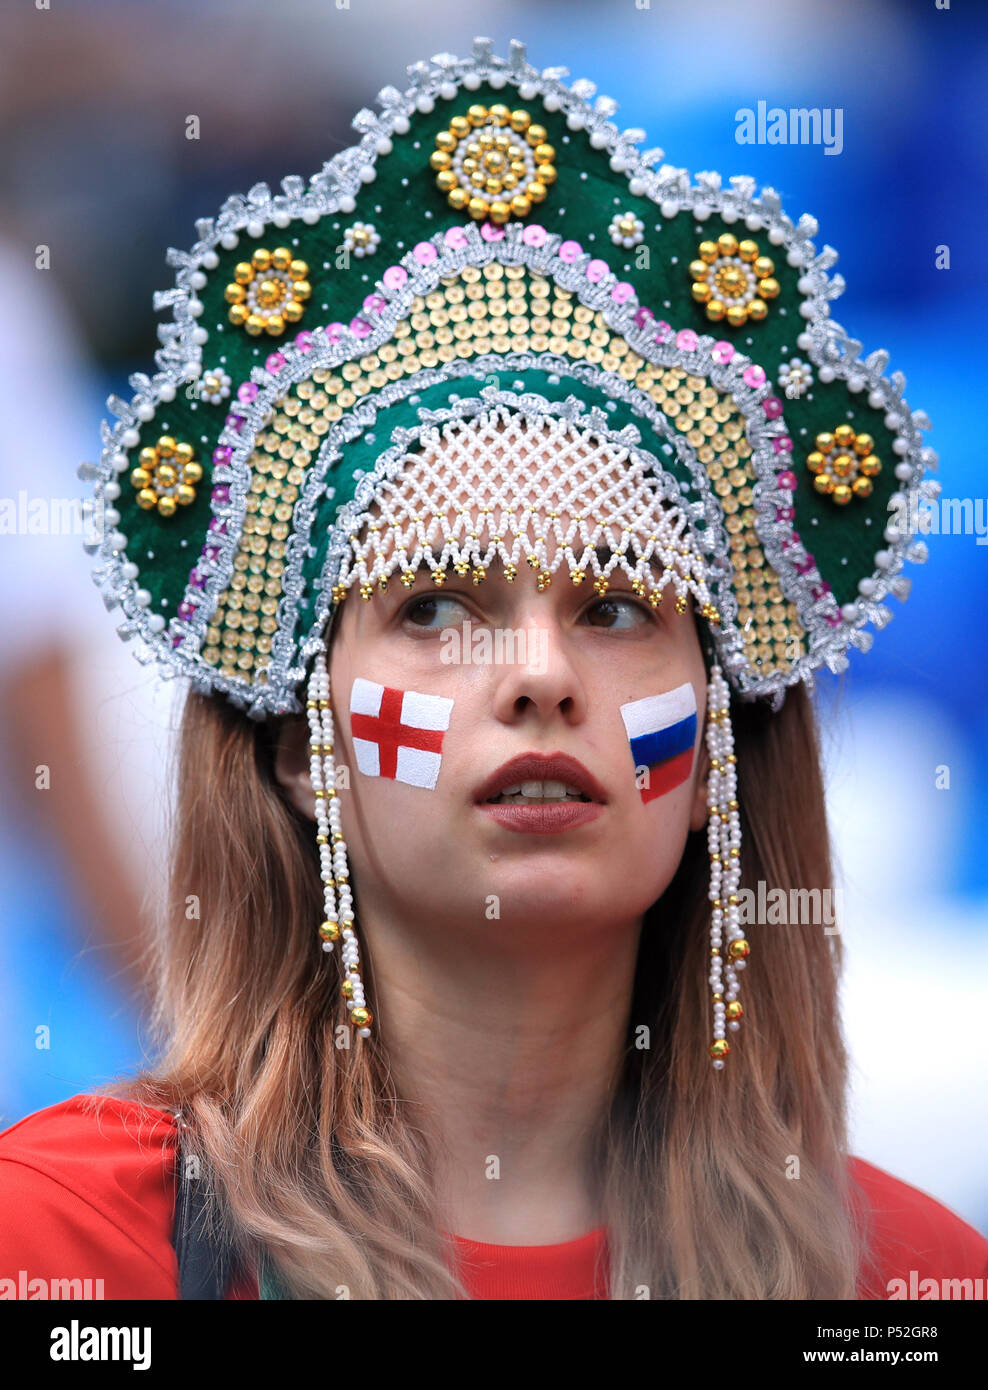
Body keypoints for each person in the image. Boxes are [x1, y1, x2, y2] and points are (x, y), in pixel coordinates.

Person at [1, 36, 984, 1302]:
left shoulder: (905, 1286)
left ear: (720, 740)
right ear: (305, 747)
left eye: (619, 605)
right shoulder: (69, 1250)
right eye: (437, 603)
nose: (538, 674)